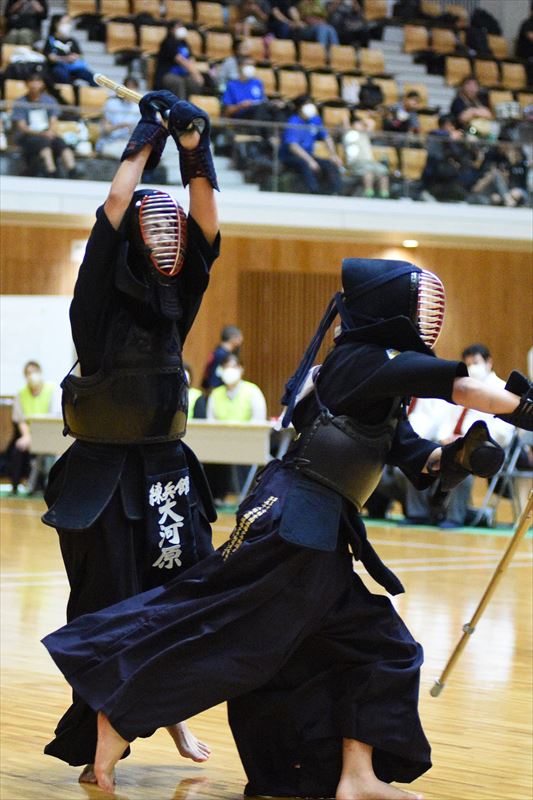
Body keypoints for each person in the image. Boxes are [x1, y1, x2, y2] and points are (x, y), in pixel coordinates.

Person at [42, 257, 533, 797]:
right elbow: (458, 385)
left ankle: (356, 778)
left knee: (379, 648)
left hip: (315, 530)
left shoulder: (380, 385)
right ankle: (117, 707)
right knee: (226, 632)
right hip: (291, 521)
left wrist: (460, 456)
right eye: (420, 306)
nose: (429, 319)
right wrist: (524, 410)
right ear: (386, 310)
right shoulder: (358, 360)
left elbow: (418, 459)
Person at [40, 89, 221, 782]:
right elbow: (113, 212)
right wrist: (143, 143)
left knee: (185, 595)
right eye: (156, 229)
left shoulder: (178, 303)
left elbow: (204, 225)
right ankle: (105, 732)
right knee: (106, 607)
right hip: (101, 478)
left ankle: (166, 707)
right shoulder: (96, 304)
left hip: (168, 469)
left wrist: (194, 147)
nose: (169, 237)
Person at [11, 71, 78, 178]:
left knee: (61, 144)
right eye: (31, 81)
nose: (34, 84)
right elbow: (22, 127)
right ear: (26, 84)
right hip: (29, 137)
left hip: (47, 134)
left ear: (42, 84)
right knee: (44, 145)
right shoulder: (21, 102)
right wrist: (42, 134)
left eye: (37, 81)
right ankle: (51, 172)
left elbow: (53, 120)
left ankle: (73, 171)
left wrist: (50, 131)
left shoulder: (49, 101)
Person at [6, 360, 59, 495]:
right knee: (17, 448)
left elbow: (53, 418)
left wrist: (35, 436)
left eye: (34, 372)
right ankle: (15, 486)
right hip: (28, 435)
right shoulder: (21, 394)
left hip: (46, 433)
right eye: (28, 373)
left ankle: (45, 486)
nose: (32, 376)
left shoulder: (50, 390)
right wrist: (27, 436)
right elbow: (21, 420)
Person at [279, 94, 343, 194]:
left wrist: (333, 155)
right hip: (291, 156)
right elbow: (293, 146)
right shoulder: (293, 121)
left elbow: (326, 137)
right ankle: (314, 192)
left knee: (329, 164)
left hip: (309, 155)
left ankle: (335, 192)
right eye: (307, 104)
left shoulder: (315, 120)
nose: (311, 106)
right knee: (304, 165)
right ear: (299, 107)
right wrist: (310, 161)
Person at [343, 112, 390, 198]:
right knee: (368, 171)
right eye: (359, 124)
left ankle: (384, 194)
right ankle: (368, 193)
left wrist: (364, 118)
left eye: (362, 124)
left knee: (383, 172)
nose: (362, 125)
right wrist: (350, 119)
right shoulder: (349, 134)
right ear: (352, 125)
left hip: (369, 162)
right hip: (356, 162)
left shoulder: (365, 135)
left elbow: (371, 123)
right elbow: (345, 119)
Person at [154, 22, 204, 99]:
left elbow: (191, 59)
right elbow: (180, 60)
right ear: (171, 30)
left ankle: (192, 106)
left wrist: (195, 74)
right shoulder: (167, 42)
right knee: (178, 82)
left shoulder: (184, 43)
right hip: (167, 74)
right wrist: (196, 74)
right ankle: (179, 107)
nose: (181, 29)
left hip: (184, 74)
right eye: (178, 27)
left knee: (193, 82)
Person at [95, 75, 141, 159]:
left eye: (133, 88)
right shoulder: (111, 103)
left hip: (127, 143)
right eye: (128, 88)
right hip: (110, 142)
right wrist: (120, 125)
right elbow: (105, 129)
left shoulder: (138, 108)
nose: (130, 91)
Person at [43, 14, 96, 86]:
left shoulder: (72, 40)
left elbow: (80, 55)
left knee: (91, 76)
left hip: (73, 67)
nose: (68, 25)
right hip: (57, 67)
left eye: (69, 23)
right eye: (65, 23)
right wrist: (65, 59)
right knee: (61, 73)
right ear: (56, 24)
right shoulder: (50, 40)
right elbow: (50, 57)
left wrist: (75, 57)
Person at [201, 325, 243, 390]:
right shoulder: (221, 354)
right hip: (218, 389)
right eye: (239, 337)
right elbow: (216, 374)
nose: (241, 339)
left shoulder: (219, 352)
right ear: (232, 337)